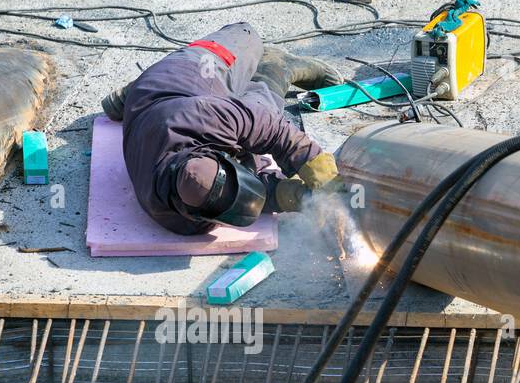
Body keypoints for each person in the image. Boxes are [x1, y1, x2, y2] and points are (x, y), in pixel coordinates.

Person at [102, 22, 343, 236]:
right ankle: (278, 66)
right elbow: (243, 192)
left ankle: (278, 64)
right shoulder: (180, 220)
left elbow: (272, 129)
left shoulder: (204, 119)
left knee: (247, 36)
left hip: (190, 72)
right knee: (258, 113)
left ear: (215, 155)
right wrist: (292, 197)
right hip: (152, 109)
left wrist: (317, 168)